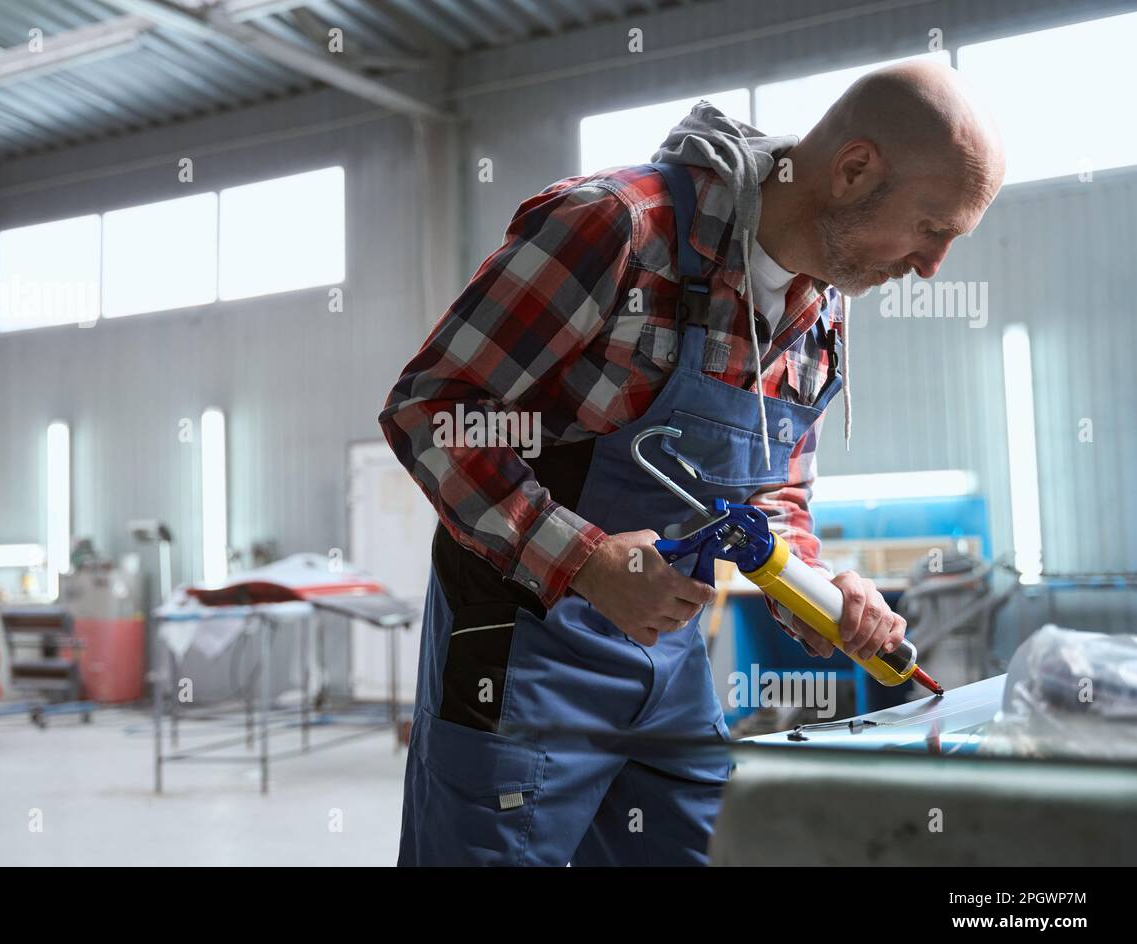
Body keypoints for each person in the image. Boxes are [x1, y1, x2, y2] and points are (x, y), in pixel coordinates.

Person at [379, 60, 1005, 866]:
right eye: (932, 229)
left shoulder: (822, 307)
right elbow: (429, 409)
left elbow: (772, 492)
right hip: (521, 663)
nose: (932, 267)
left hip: (669, 666)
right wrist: (586, 560)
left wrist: (821, 595)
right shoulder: (614, 229)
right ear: (853, 171)